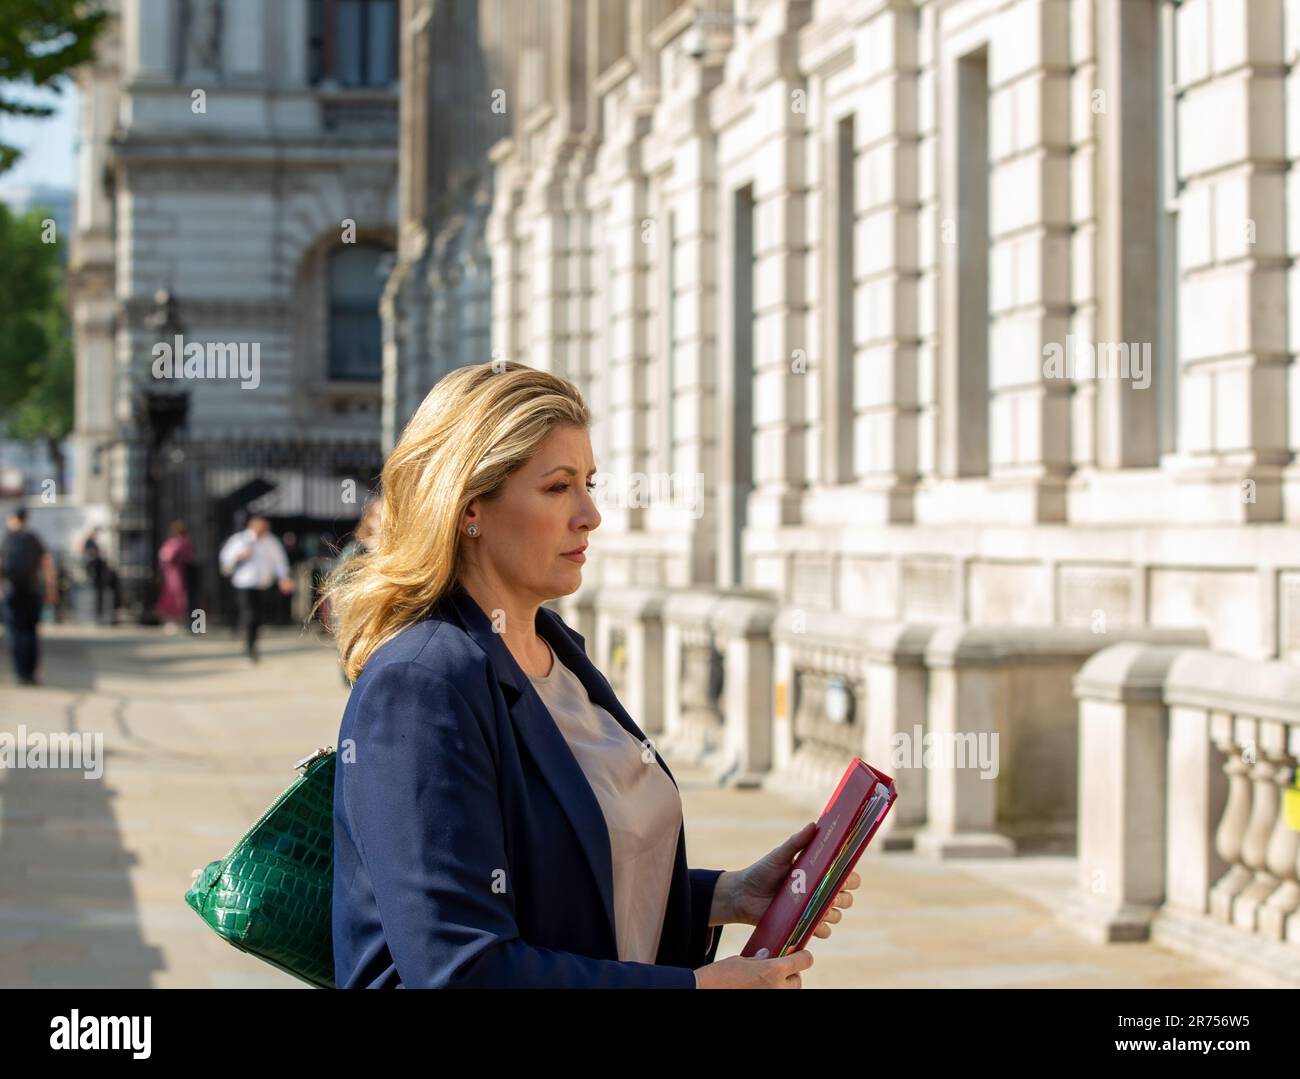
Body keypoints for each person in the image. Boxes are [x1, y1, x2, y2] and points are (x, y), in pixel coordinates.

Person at [322, 361, 859, 989]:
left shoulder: (559, 651)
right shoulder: (419, 685)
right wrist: (695, 988)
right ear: (470, 509)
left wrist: (730, 895)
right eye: (558, 487)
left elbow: (566, 877)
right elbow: (459, 968)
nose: (590, 515)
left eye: (591, 483)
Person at [219, 515, 293, 663]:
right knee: (250, 614)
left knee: (258, 617)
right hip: (244, 584)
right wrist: (239, 556)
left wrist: (284, 577)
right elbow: (225, 559)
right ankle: (248, 647)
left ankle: (252, 644)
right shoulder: (240, 540)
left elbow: (279, 562)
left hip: (262, 585)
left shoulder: (271, 541)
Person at [326, 498, 382, 687]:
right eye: (379, 515)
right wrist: (338, 614)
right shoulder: (356, 549)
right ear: (370, 519)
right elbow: (337, 583)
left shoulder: (399, 549)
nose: (383, 520)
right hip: (360, 614)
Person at [1, 506, 58, 685]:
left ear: (12, 518)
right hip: (32, 590)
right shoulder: (34, 538)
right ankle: (30, 673)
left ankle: (20, 673)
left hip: (12, 591)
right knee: (31, 631)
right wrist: (51, 590)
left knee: (15, 632)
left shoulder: (8, 538)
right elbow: (47, 564)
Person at [156, 520, 194, 633]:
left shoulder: (180, 543)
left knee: (178, 596)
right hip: (174, 573)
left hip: (178, 573)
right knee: (174, 595)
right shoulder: (177, 543)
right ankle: (174, 620)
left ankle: (178, 620)